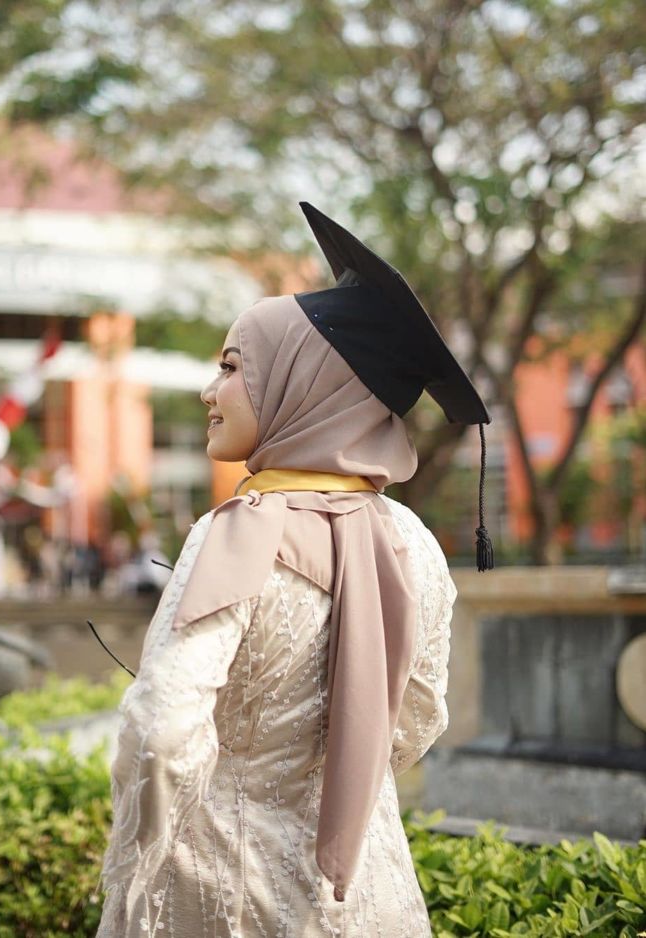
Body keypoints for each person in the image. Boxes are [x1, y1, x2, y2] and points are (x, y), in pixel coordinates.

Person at [96, 203, 492, 937]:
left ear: (302, 383)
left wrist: (139, 857)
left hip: (222, 885)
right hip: (367, 889)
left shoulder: (238, 534)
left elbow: (161, 730)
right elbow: (419, 716)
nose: (209, 393)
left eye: (232, 366)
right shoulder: (415, 543)